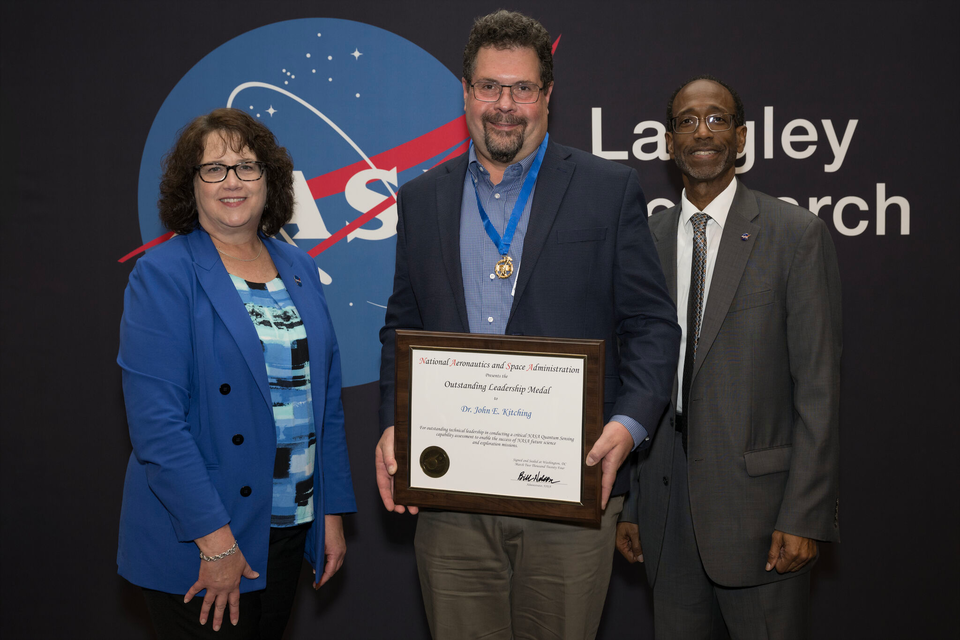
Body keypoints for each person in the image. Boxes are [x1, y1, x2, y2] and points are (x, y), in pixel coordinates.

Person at [375, 10, 680, 639]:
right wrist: (391, 423)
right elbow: (401, 327)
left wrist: (628, 426)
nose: (504, 105)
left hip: (572, 493)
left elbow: (651, 323)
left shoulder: (608, 189)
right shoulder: (423, 198)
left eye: (521, 88)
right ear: (465, 92)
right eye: (489, 86)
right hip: (450, 494)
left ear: (546, 95)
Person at [117, 108, 356, 639]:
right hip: (205, 536)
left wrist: (330, 512)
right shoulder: (163, 274)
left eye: (247, 166)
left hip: (290, 529)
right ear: (191, 185)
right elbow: (158, 427)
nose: (232, 181)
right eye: (214, 168)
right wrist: (216, 541)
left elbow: (325, 403)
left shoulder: (300, 268)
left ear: (269, 181)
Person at [617, 76, 842, 639]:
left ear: (741, 138)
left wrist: (803, 514)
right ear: (668, 142)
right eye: (687, 121)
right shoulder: (647, 239)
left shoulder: (796, 235)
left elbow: (818, 388)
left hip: (764, 519)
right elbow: (638, 380)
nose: (703, 132)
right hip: (667, 522)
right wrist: (633, 506)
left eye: (716, 119)